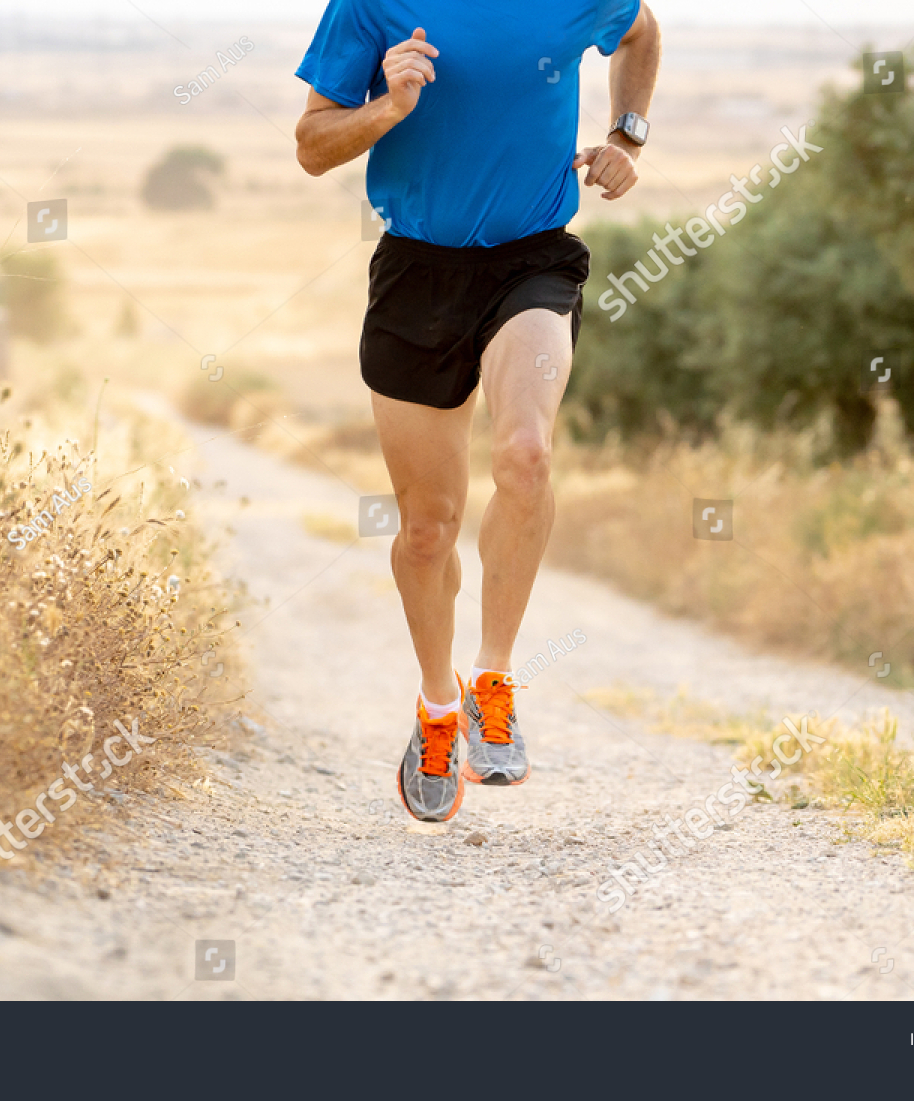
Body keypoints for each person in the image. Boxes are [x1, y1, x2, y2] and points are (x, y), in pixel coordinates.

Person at [294, 0, 662, 821]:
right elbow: (311, 147)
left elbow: (639, 32)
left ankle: (493, 679)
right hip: (415, 271)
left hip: (532, 260)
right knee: (428, 528)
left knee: (526, 453)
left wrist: (627, 135)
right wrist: (388, 108)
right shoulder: (368, 7)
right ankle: (436, 708)